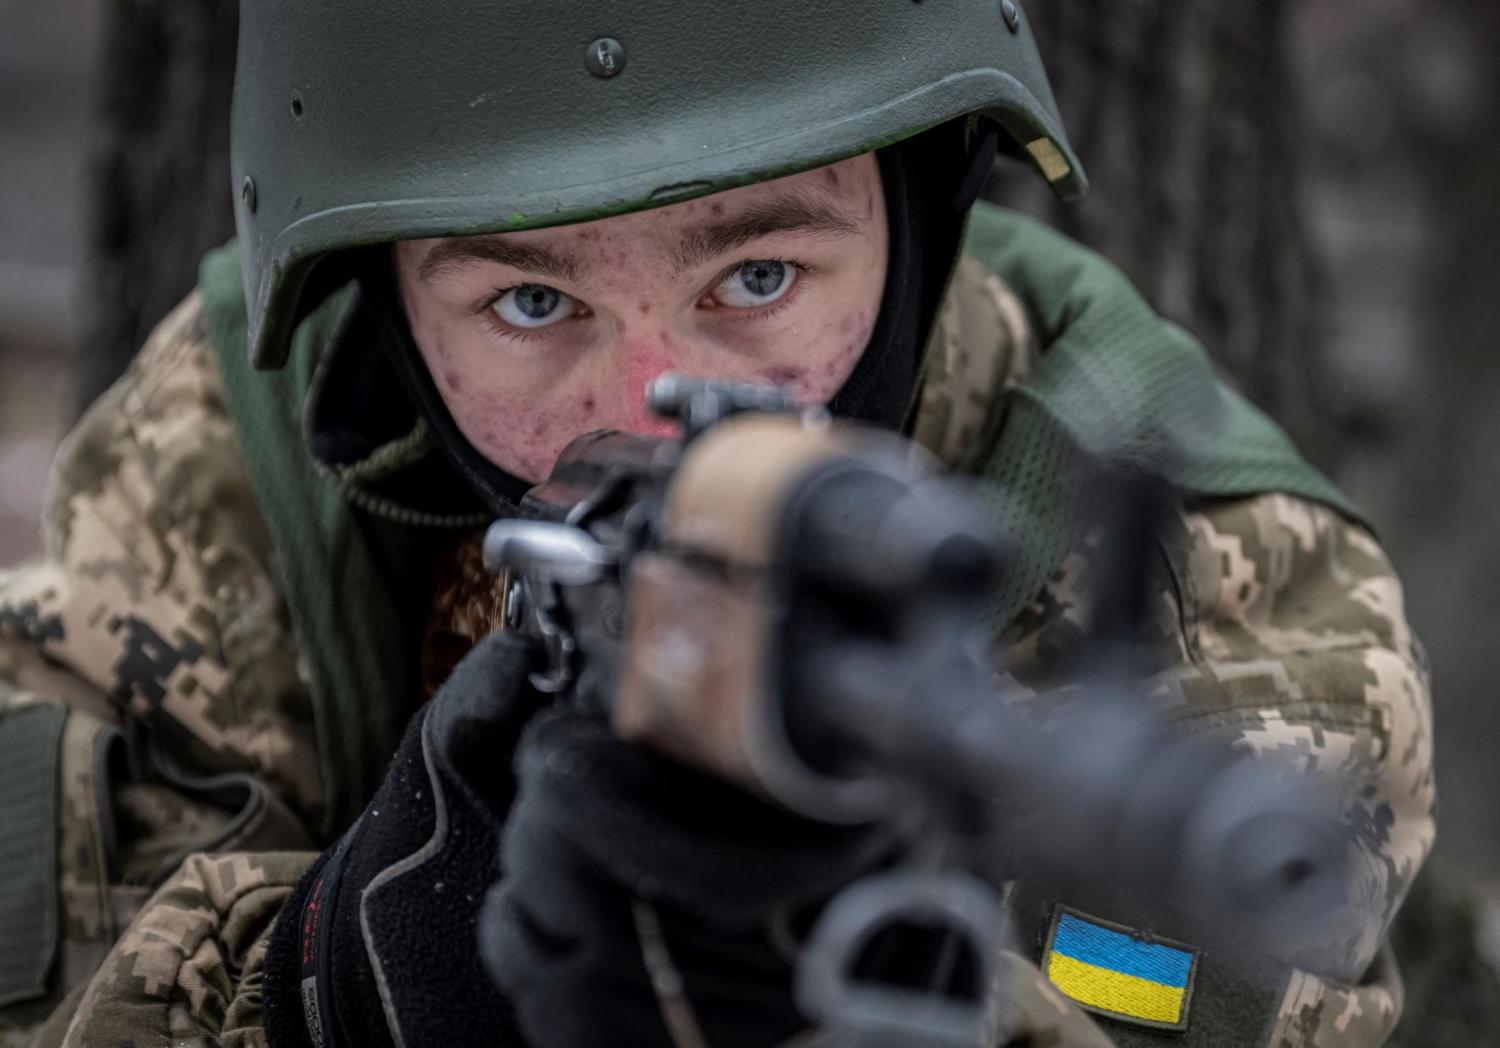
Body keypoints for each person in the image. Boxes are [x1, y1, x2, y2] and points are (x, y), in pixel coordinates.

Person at [0, 1, 1432, 1045]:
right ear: (383, 294)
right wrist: (349, 976)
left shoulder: (1232, 580)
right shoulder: (241, 437)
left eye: (756, 278)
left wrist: (838, 987)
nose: (649, 400)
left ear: (919, 211)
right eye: (531, 304)